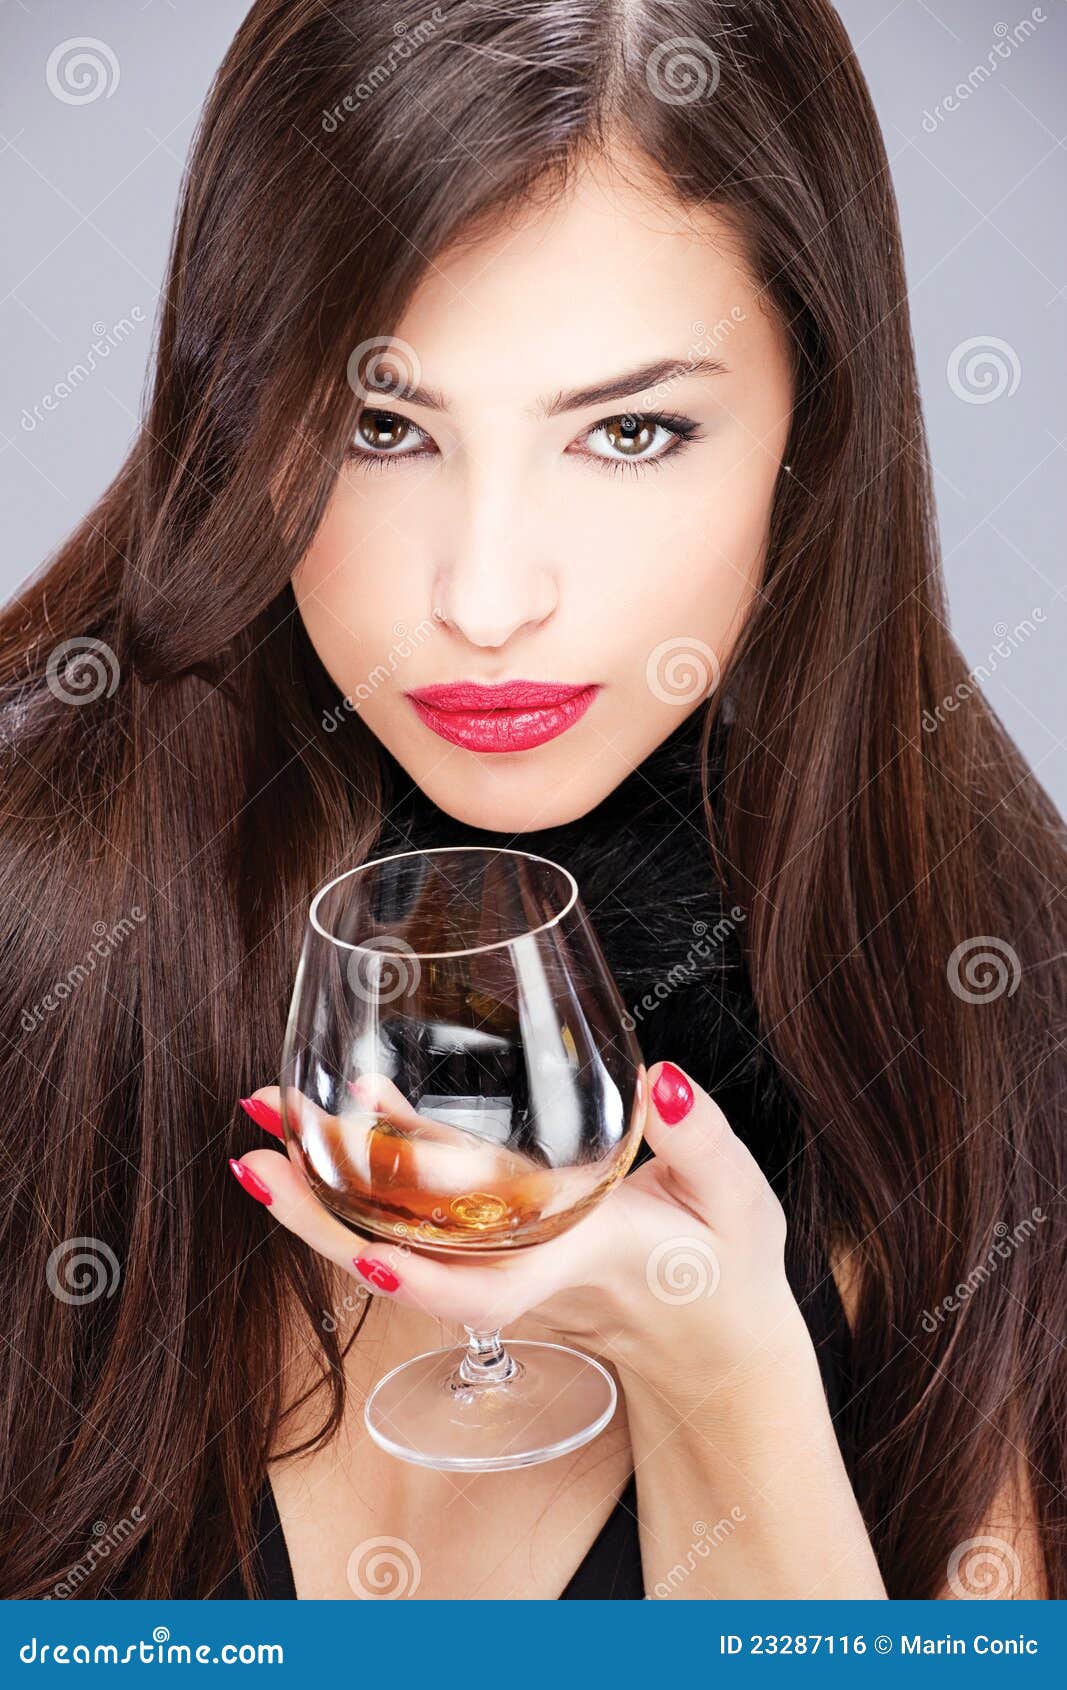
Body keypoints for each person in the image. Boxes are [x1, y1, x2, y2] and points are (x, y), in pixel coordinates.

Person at [1, 0, 1062, 1600]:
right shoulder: (43, 944)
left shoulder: (998, 1015)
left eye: (629, 432)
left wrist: (724, 1376)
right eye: (381, 426)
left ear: (816, 431)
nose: (486, 597)